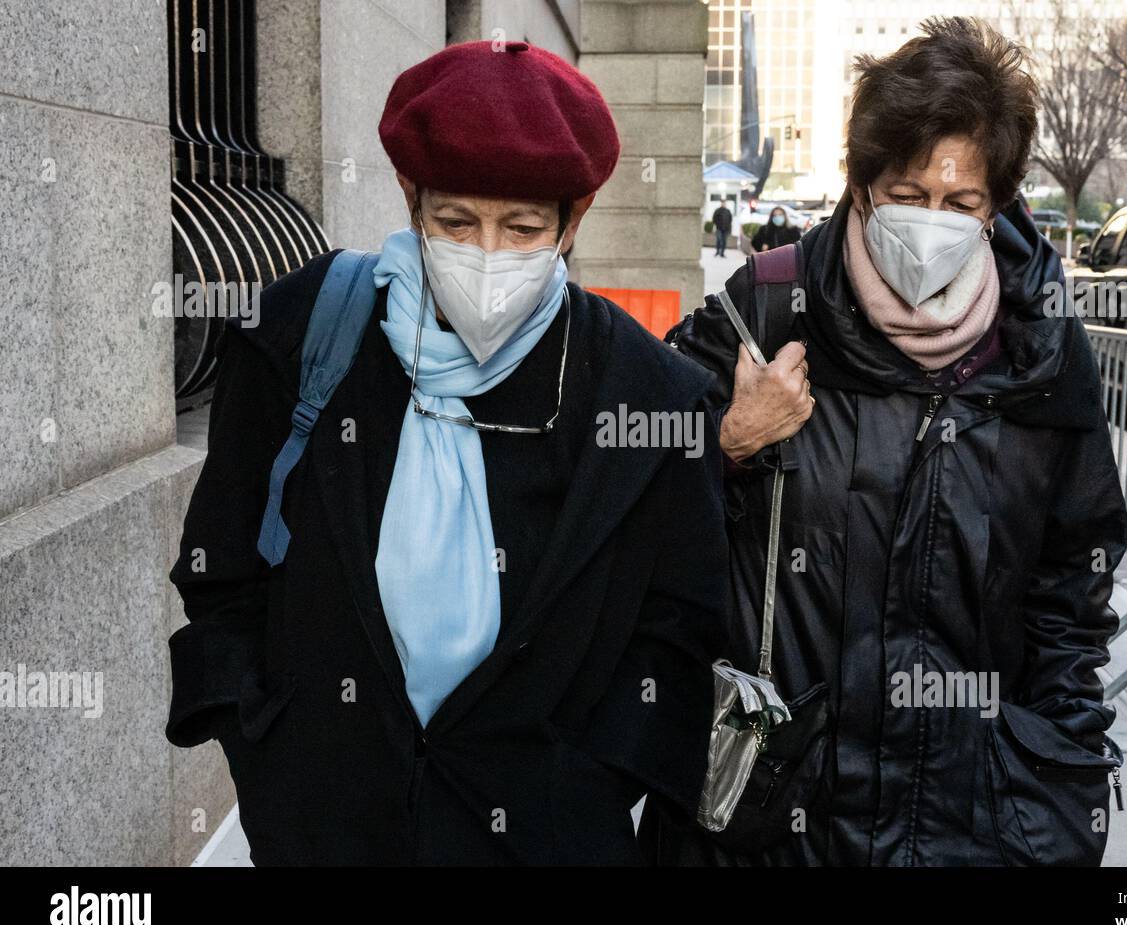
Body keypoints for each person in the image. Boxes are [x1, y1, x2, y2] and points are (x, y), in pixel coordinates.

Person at [164, 40, 727, 865]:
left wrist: (587, 787)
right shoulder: (297, 335)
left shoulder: (652, 398)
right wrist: (269, 761)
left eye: (524, 227)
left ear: (576, 219)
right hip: (327, 837)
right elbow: (222, 570)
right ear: (409, 196)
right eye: (456, 221)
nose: (488, 256)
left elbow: (678, 632)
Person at [639, 16, 1127, 866]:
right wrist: (726, 442)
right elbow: (638, 519)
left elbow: (1072, 589)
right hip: (779, 826)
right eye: (907, 194)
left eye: (961, 202)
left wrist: (1060, 777)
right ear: (862, 185)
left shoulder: (1042, 346)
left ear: (996, 204)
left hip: (968, 823)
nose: (931, 221)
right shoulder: (762, 313)